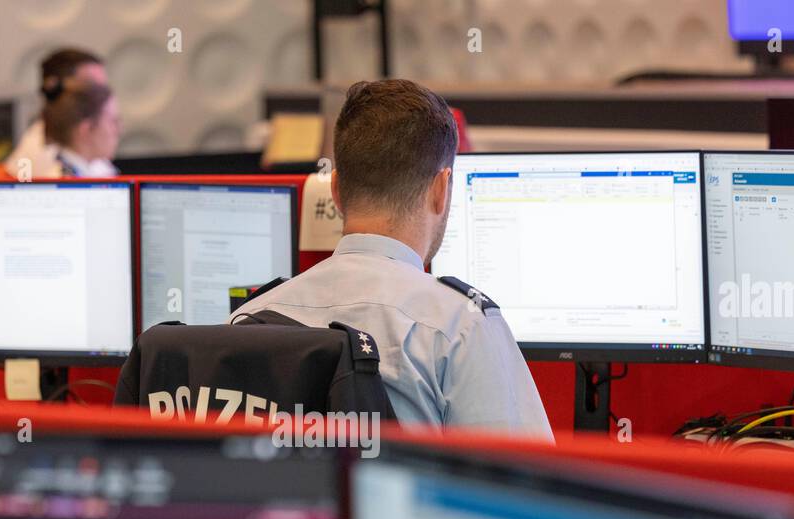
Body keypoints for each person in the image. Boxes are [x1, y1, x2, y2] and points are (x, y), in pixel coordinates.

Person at [229, 79, 552, 436]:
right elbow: (522, 482)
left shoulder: (250, 318)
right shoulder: (459, 327)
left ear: (335, 190)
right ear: (441, 189)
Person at [5, 47, 118, 179]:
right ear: (53, 88)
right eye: (92, 87)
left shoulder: (92, 150)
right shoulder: (33, 159)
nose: (102, 95)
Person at [34, 79, 121, 179]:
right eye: (113, 121)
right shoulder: (57, 183)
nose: (118, 130)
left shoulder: (100, 169)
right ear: (86, 129)